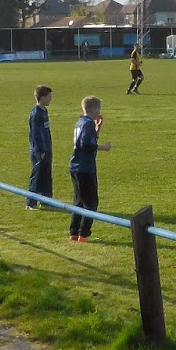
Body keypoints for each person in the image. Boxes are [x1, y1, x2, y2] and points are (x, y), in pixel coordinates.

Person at [67, 96, 111, 242]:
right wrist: (103, 148)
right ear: (92, 109)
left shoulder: (81, 121)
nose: (99, 112)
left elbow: (87, 139)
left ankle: (74, 232)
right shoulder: (88, 124)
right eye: (98, 109)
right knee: (91, 202)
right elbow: (86, 144)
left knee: (78, 200)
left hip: (75, 166)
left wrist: (98, 128)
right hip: (85, 168)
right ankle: (84, 234)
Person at [26, 85, 53, 210]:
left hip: (47, 149)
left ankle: (46, 200)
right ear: (42, 98)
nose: (51, 99)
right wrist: (40, 150)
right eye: (49, 97)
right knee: (37, 176)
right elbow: (35, 134)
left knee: (46, 175)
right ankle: (31, 202)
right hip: (39, 151)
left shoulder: (44, 111)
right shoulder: (36, 114)